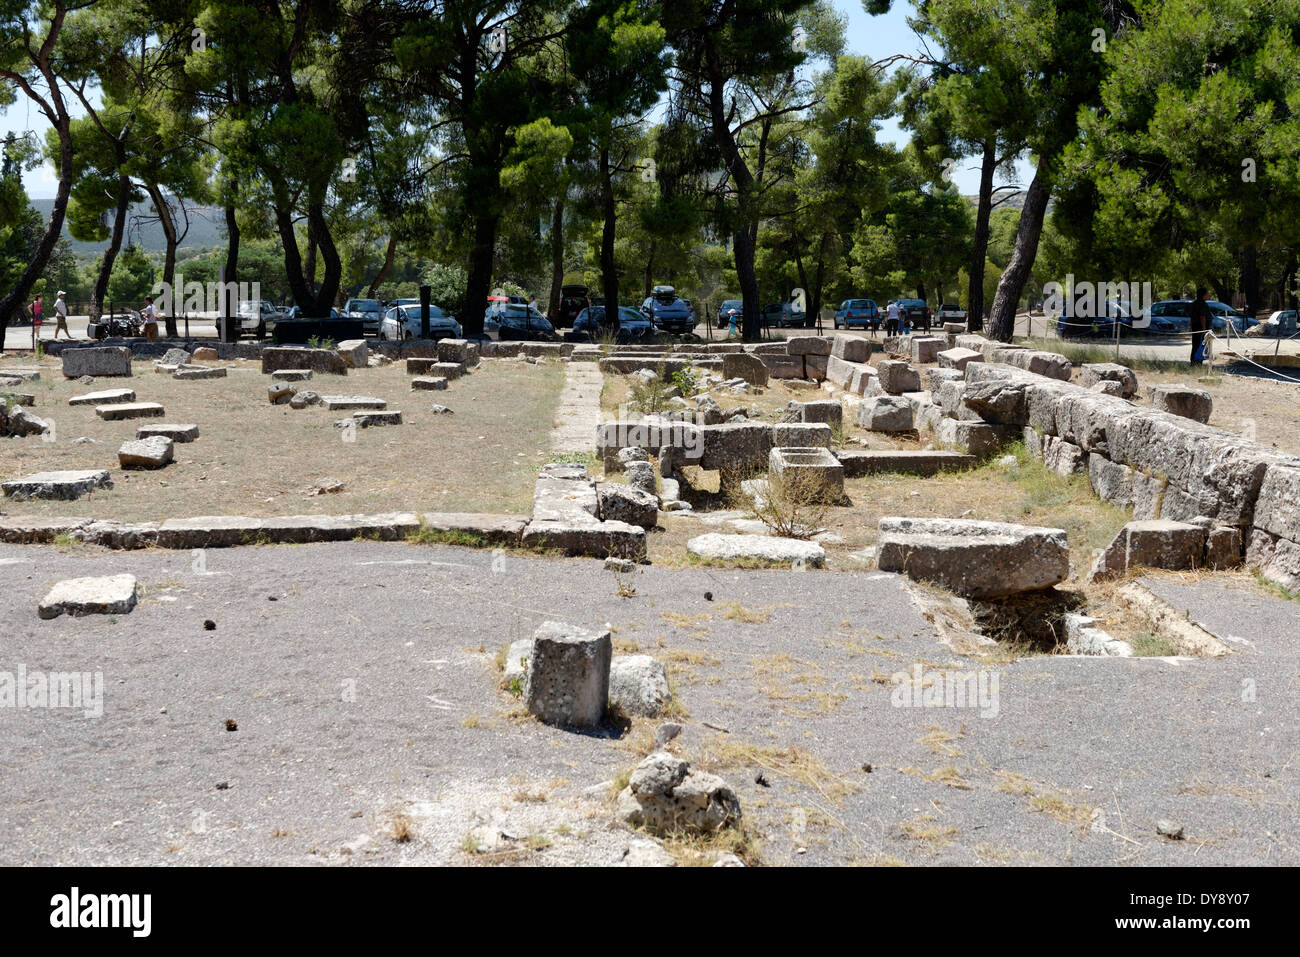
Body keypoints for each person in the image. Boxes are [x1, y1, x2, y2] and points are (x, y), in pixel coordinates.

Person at [1189, 286, 1211, 364]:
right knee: (1199, 346)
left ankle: (1194, 361)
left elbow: (1191, 318)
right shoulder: (1202, 304)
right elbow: (1202, 317)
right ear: (1203, 295)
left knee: (1195, 345)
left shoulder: (1194, 303)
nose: (1209, 295)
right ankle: (1197, 361)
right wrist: (1204, 330)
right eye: (1207, 293)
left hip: (1195, 328)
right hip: (1201, 328)